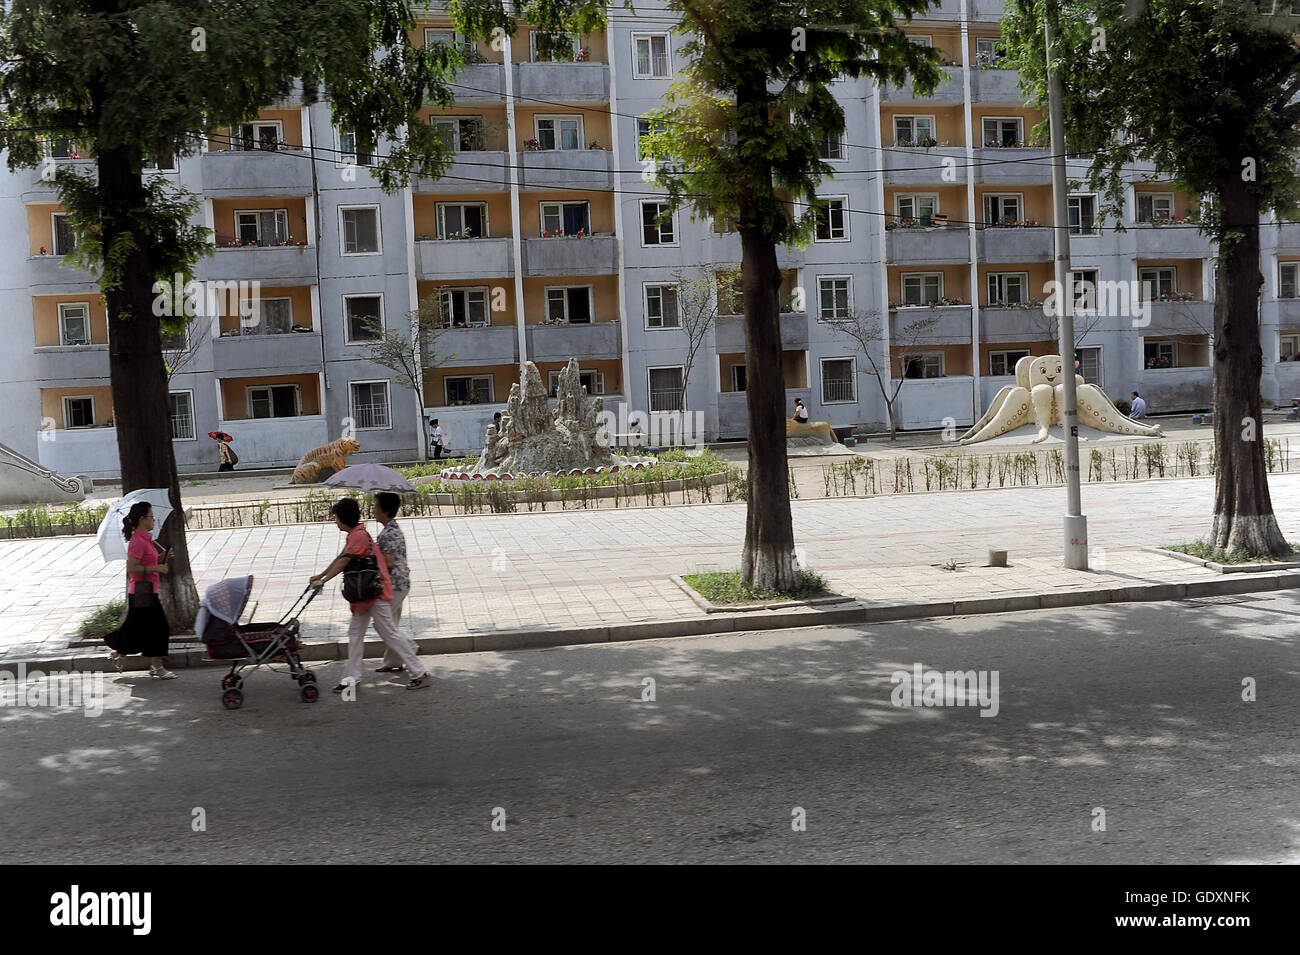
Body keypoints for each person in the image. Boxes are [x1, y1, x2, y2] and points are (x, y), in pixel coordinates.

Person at [308, 497, 431, 692]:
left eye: (336, 518)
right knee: (357, 633)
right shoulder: (356, 534)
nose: (335, 522)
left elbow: (343, 561)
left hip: (373, 592)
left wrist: (323, 580)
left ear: (342, 519)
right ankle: (352, 678)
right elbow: (342, 557)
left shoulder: (358, 536)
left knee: (386, 632)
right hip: (365, 594)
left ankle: (419, 673)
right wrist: (321, 575)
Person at [105, 501, 176, 679]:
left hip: (147, 590)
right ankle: (157, 667)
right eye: (151, 516)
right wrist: (157, 568)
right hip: (141, 592)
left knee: (138, 628)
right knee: (160, 628)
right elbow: (132, 568)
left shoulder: (146, 538)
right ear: (142, 519)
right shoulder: (137, 541)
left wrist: (161, 558)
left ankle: (119, 654)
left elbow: (146, 562)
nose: (154, 519)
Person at [373, 492, 419, 674]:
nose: (374, 509)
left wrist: (370, 557)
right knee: (391, 623)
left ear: (384, 511)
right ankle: (393, 661)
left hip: (394, 584)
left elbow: (389, 560)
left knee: (383, 623)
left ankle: (410, 646)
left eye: (376, 506)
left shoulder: (389, 533)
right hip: (398, 583)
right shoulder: (390, 529)